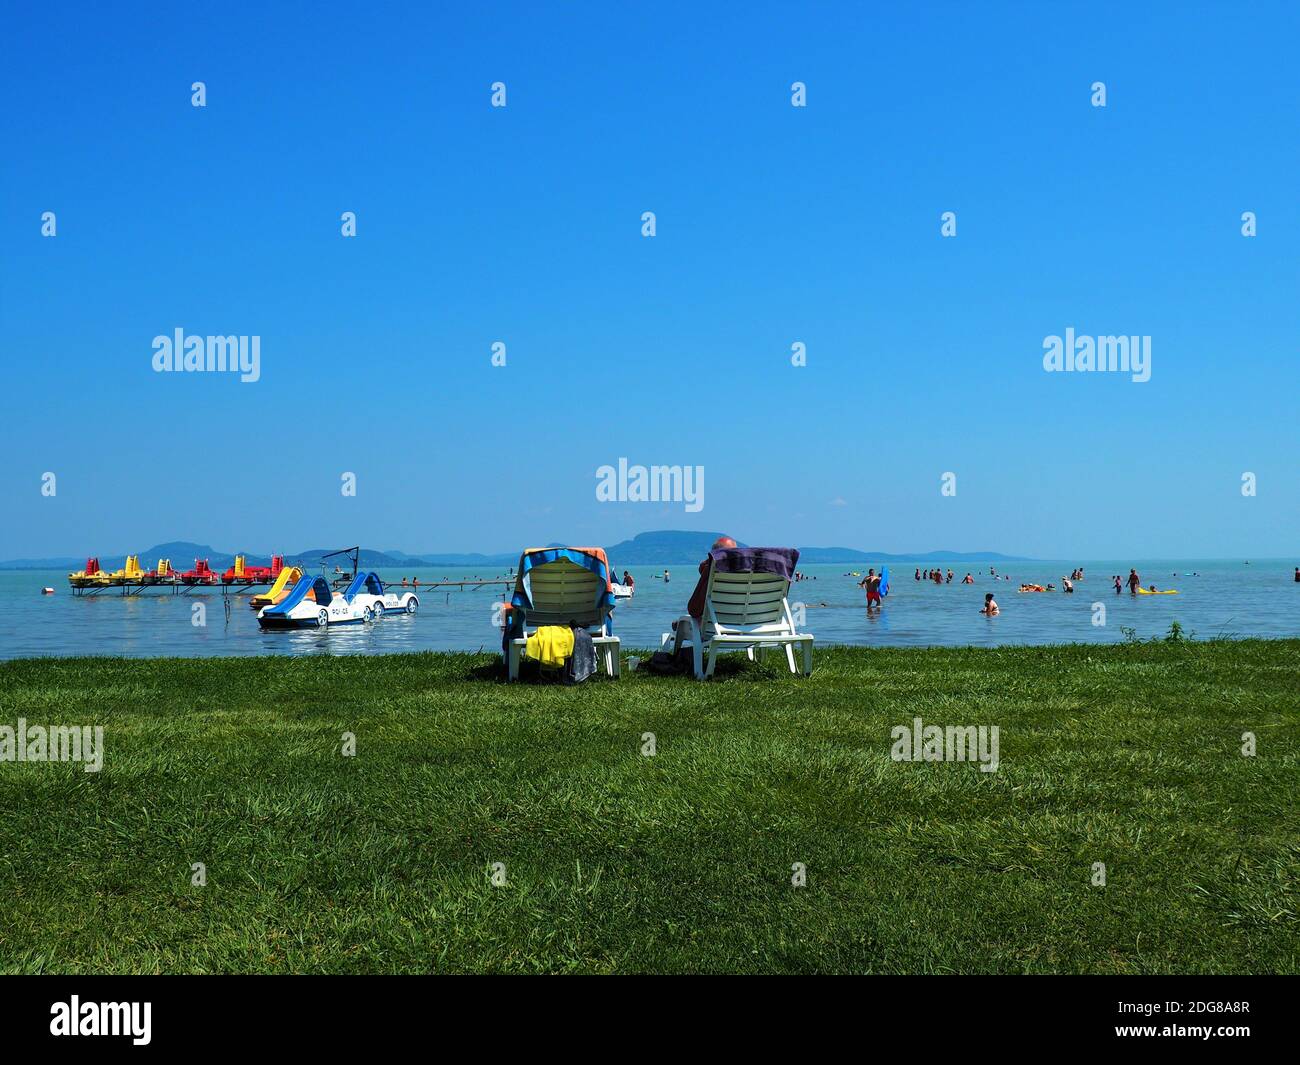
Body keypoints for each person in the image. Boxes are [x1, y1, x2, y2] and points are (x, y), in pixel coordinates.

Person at [686, 537, 736, 619]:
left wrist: (708, 565)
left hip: (715, 627)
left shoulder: (711, 571)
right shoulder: (752, 575)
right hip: (750, 626)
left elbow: (694, 610)